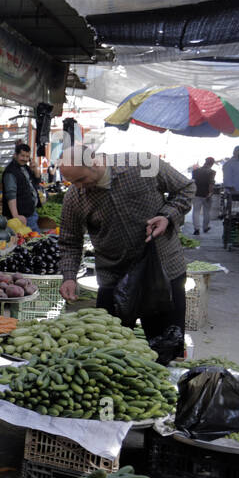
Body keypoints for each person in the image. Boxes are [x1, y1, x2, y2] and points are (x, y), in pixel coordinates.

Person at [57, 149, 195, 362]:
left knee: (166, 346)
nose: (78, 187)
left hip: (163, 270)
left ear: (95, 161)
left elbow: (186, 188)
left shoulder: (143, 165)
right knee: (108, 349)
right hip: (115, 275)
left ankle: (166, 387)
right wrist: (68, 276)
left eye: (81, 179)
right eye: (72, 182)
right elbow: (69, 240)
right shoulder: (75, 197)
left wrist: (167, 215)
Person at [2, 144, 43, 229]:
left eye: (27, 156)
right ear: (15, 155)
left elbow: (37, 181)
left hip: (30, 212)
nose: (25, 159)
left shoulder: (25, 168)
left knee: (34, 239)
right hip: (22, 216)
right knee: (32, 239)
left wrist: (35, 169)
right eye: (22, 156)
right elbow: (10, 194)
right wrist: (16, 215)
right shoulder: (11, 172)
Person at [190, 156, 216, 234]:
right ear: (212, 163)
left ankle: (196, 229)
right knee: (206, 212)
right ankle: (205, 227)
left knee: (196, 211)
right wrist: (210, 193)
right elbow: (211, 183)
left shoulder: (195, 171)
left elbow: (193, 182)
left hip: (196, 193)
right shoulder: (212, 172)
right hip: (206, 194)